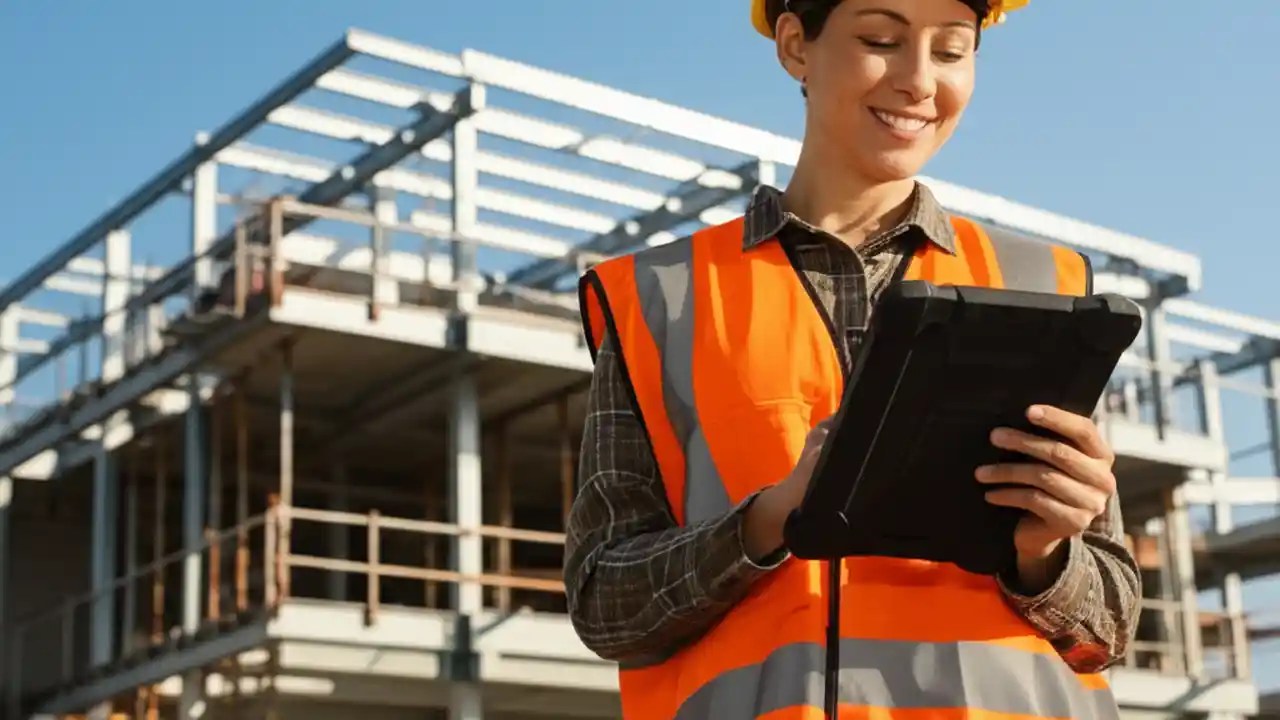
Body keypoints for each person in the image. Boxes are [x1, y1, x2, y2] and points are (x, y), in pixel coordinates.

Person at [564, 0, 1140, 717]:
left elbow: (1110, 625)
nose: (920, 81)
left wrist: (1046, 553)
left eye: (952, 51)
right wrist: (768, 520)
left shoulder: (1043, 285)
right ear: (794, 45)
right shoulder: (658, 298)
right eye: (881, 39)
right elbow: (605, 606)